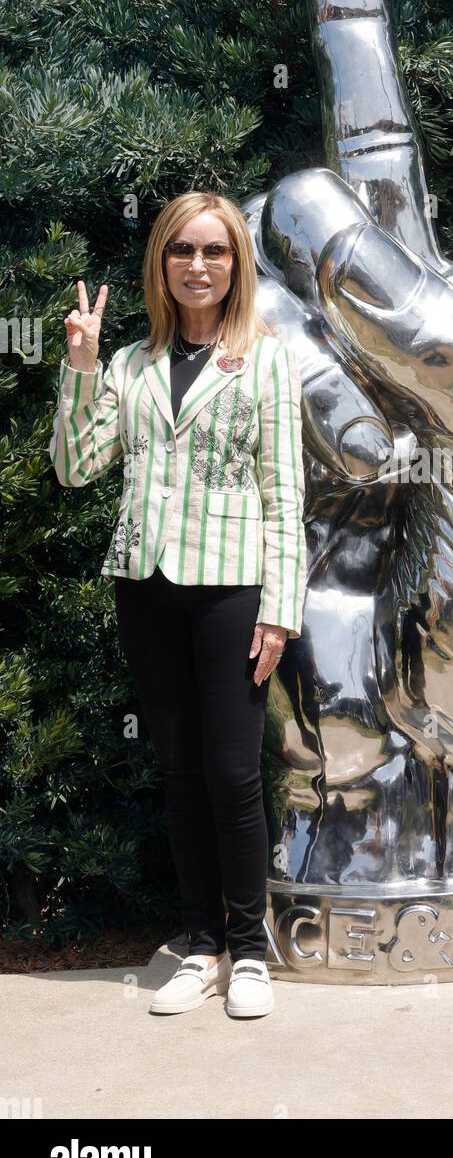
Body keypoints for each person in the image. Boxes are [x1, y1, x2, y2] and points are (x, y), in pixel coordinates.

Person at [50, 190, 306, 1017]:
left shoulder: (266, 358)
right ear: (161, 263)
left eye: (215, 252)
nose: (198, 266)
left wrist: (281, 606)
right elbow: (76, 467)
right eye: (182, 252)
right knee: (178, 772)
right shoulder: (130, 362)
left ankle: (248, 948)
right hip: (146, 585)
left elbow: (284, 492)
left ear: (237, 265)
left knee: (233, 773)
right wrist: (81, 365)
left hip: (233, 587)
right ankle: (200, 946)